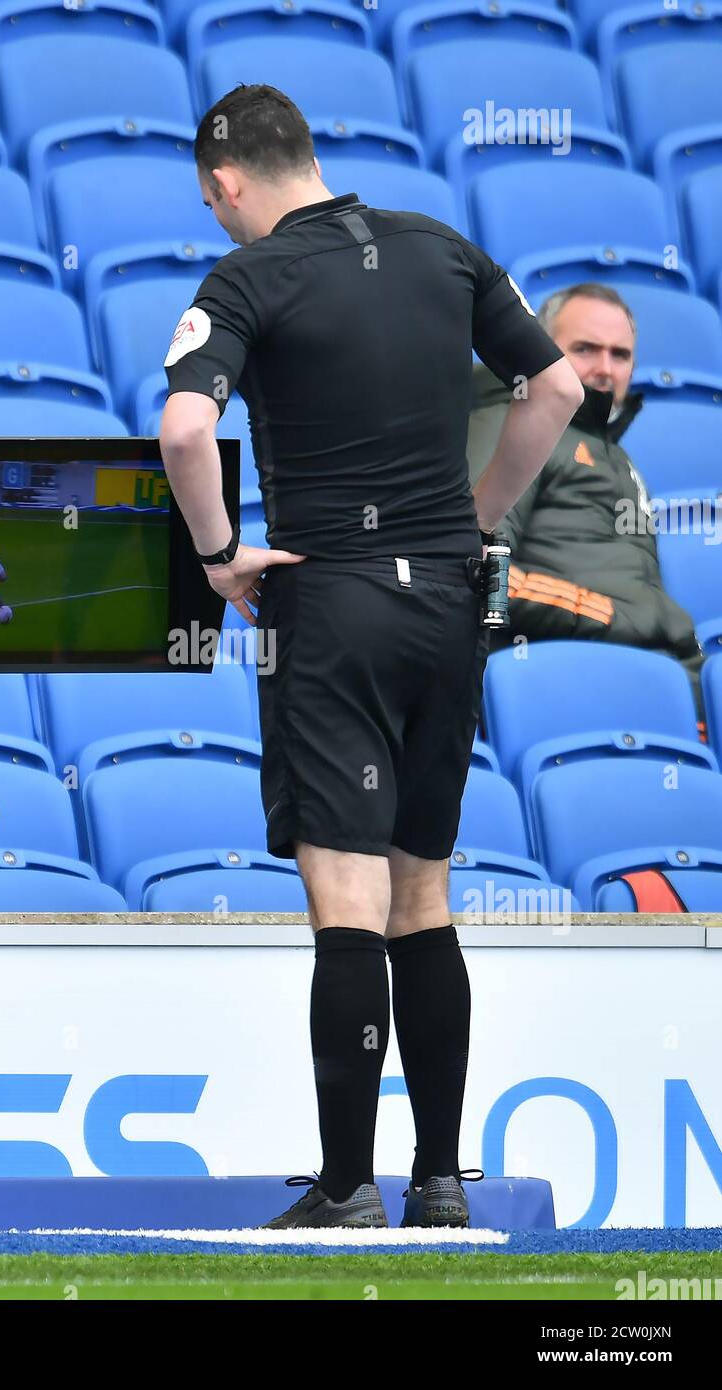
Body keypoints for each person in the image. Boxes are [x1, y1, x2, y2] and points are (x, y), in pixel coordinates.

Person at [159, 84, 584, 1229]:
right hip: (445, 606)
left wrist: (217, 557)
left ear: (227, 182)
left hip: (332, 604)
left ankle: (346, 1186)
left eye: (212, 202)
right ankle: (439, 1183)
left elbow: (186, 428)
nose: (217, 219)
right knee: (422, 894)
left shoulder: (247, 277)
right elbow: (556, 386)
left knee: (345, 900)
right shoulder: (442, 248)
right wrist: (473, 519)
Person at [466, 282, 705, 707]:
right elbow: (476, 564)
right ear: (541, 348)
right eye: (585, 349)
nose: (605, 369)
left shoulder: (618, 457)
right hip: (563, 677)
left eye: (620, 355)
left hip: (656, 671)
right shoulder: (517, 422)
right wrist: (616, 614)